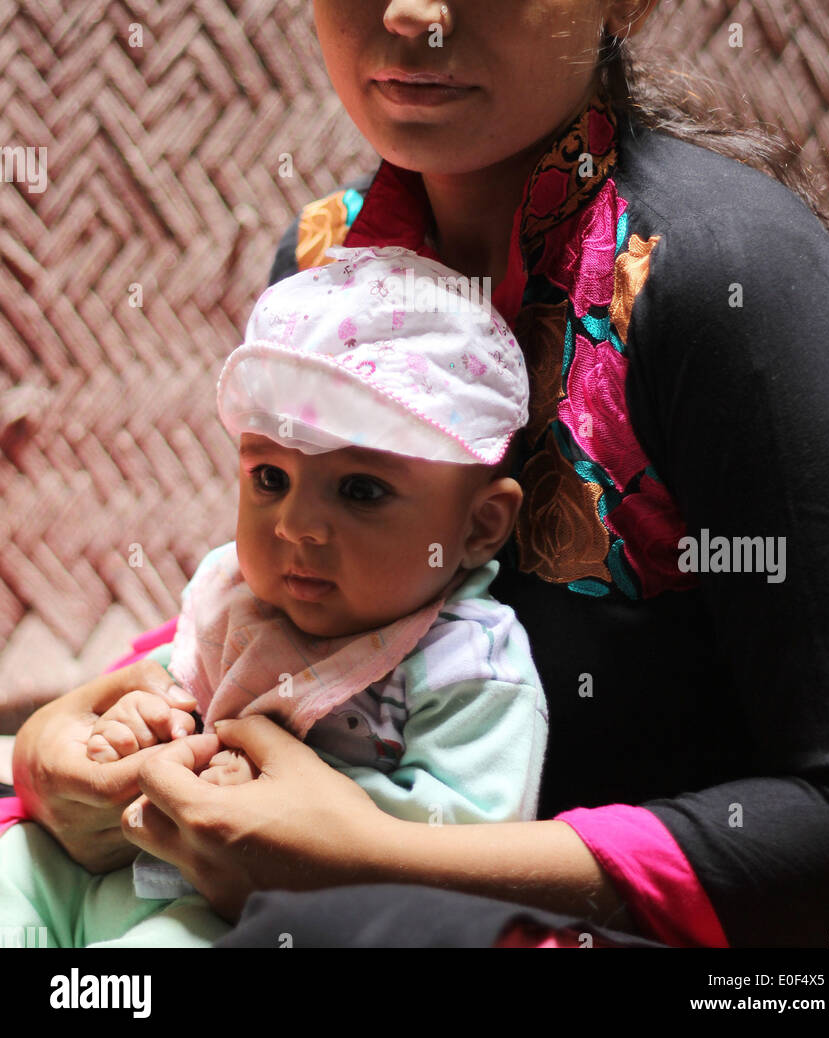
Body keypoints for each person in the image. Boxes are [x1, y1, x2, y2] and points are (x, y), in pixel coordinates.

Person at [10, 0, 829, 949]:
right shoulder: (326, 267)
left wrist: (398, 858)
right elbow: (313, 610)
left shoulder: (725, 290)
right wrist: (85, 726)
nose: (411, 4)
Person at [0, 244, 548, 945]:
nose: (294, 525)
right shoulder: (235, 597)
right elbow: (173, 693)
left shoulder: (467, 666)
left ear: (479, 526)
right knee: (17, 864)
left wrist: (264, 798)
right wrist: (137, 724)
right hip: (122, 872)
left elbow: (463, 846)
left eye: (361, 490)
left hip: (258, 912)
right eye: (269, 478)